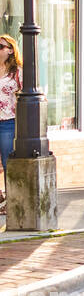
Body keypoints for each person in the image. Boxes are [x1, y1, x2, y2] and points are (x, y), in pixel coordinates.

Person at [0, 34, 20, 209]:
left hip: (7, 122)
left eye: (1, 47)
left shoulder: (17, 72)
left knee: (8, 162)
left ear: (11, 50)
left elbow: (26, 94)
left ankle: (11, 200)